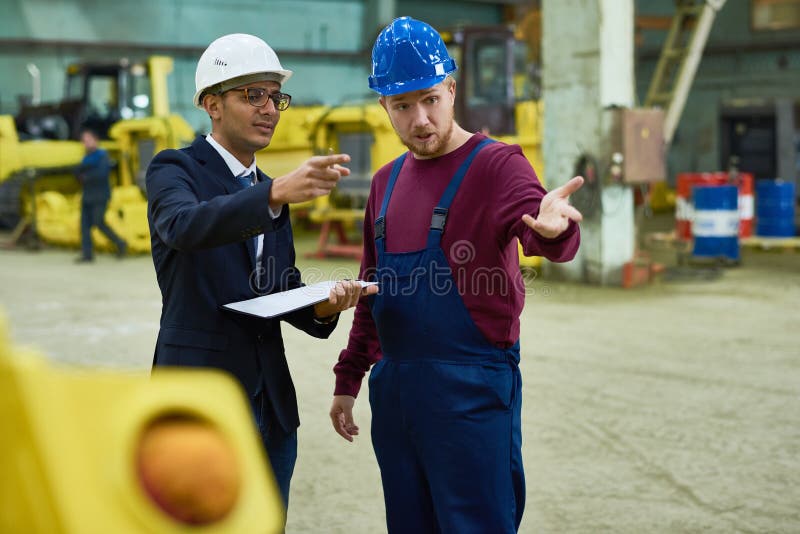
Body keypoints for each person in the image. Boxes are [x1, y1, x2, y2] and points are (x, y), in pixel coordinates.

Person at [329, 17, 583, 533]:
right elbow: (373, 289)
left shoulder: (498, 166)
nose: (419, 119)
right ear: (384, 107)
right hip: (396, 392)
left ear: (451, 88)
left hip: (472, 393)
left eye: (430, 99)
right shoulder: (384, 183)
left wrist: (555, 233)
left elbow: (538, 230)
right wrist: (349, 376)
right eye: (402, 105)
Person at [145, 33, 377, 512]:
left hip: (270, 402)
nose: (270, 108)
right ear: (212, 104)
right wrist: (271, 197)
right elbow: (185, 226)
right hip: (201, 398)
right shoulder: (175, 171)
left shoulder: (270, 190)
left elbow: (276, 284)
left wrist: (321, 305)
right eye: (254, 95)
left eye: (276, 96)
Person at [75, 127, 127, 262]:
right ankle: (87, 255)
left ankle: (120, 243)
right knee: (84, 226)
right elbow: (77, 174)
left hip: (100, 196)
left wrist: (85, 177)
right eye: (83, 141)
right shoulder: (86, 158)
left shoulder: (102, 156)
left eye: (88, 140)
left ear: (95, 140)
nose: (85, 143)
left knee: (99, 223)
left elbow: (101, 174)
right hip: (87, 196)